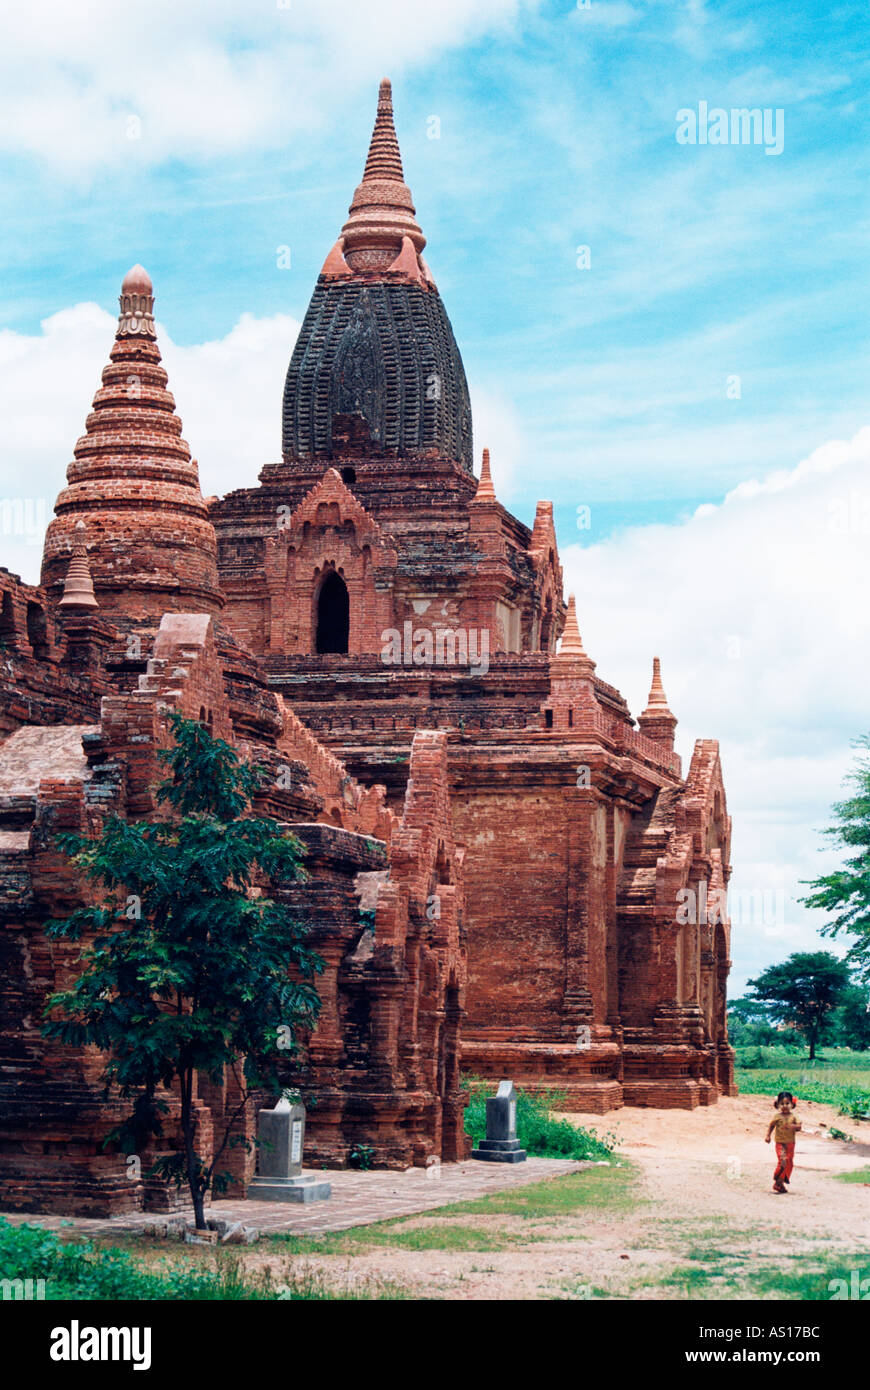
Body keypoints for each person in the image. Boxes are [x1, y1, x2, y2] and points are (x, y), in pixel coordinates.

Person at [765, 1091, 801, 1193]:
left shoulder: (794, 1117)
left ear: (792, 1104)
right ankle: (777, 1178)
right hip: (780, 1143)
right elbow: (772, 1125)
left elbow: (799, 1127)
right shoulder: (777, 1117)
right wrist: (768, 1135)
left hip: (790, 1143)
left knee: (789, 1163)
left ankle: (780, 1184)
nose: (785, 1106)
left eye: (787, 1103)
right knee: (783, 1160)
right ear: (778, 1105)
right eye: (782, 1104)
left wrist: (792, 1126)